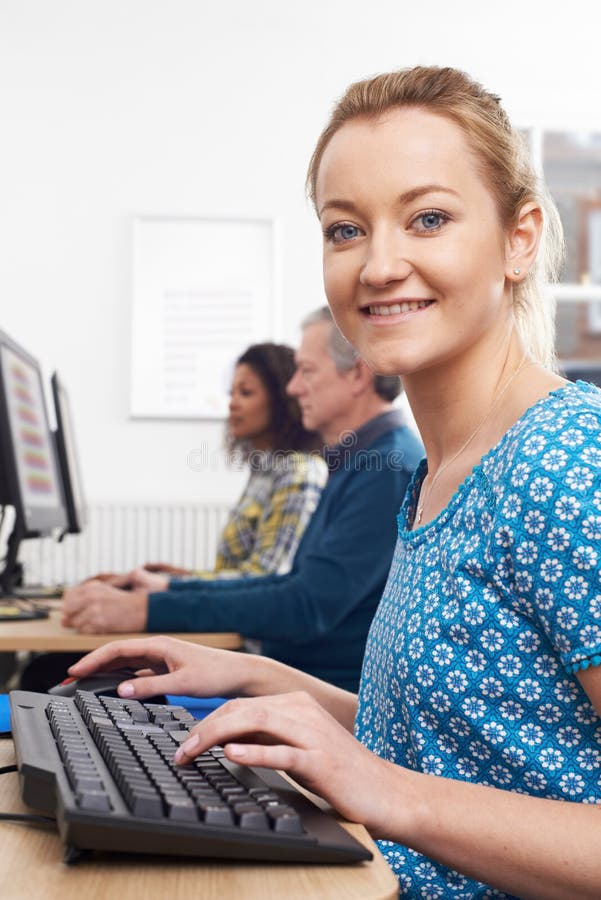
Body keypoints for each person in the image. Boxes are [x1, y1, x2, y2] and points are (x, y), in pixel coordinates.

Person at [69, 65, 601, 897]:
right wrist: (263, 682)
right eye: (345, 230)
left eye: (427, 219)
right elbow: (451, 746)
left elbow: (405, 784)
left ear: (519, 237)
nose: (379, 265)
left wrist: (389, 797)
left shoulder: (567, 466)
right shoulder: (440, 470)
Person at [62, 308, 423, 691]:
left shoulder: (386, 467)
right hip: (292, 677)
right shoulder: (360, 461)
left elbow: (305, 606)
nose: (293, 387)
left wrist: (147, 609)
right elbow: (290, 584)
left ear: (357, 374)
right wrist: (168, 590)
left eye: (307, 371)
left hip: (318, 697)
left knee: (100, 689)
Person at [112, 342, 328, 581]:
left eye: (245, 393)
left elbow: (266, 579)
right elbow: (243, 574)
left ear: (280, 401)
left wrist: (168, 584)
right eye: (231, 393)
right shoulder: (265, 470)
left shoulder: (298, 473)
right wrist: (181, 576)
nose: (232, 403)